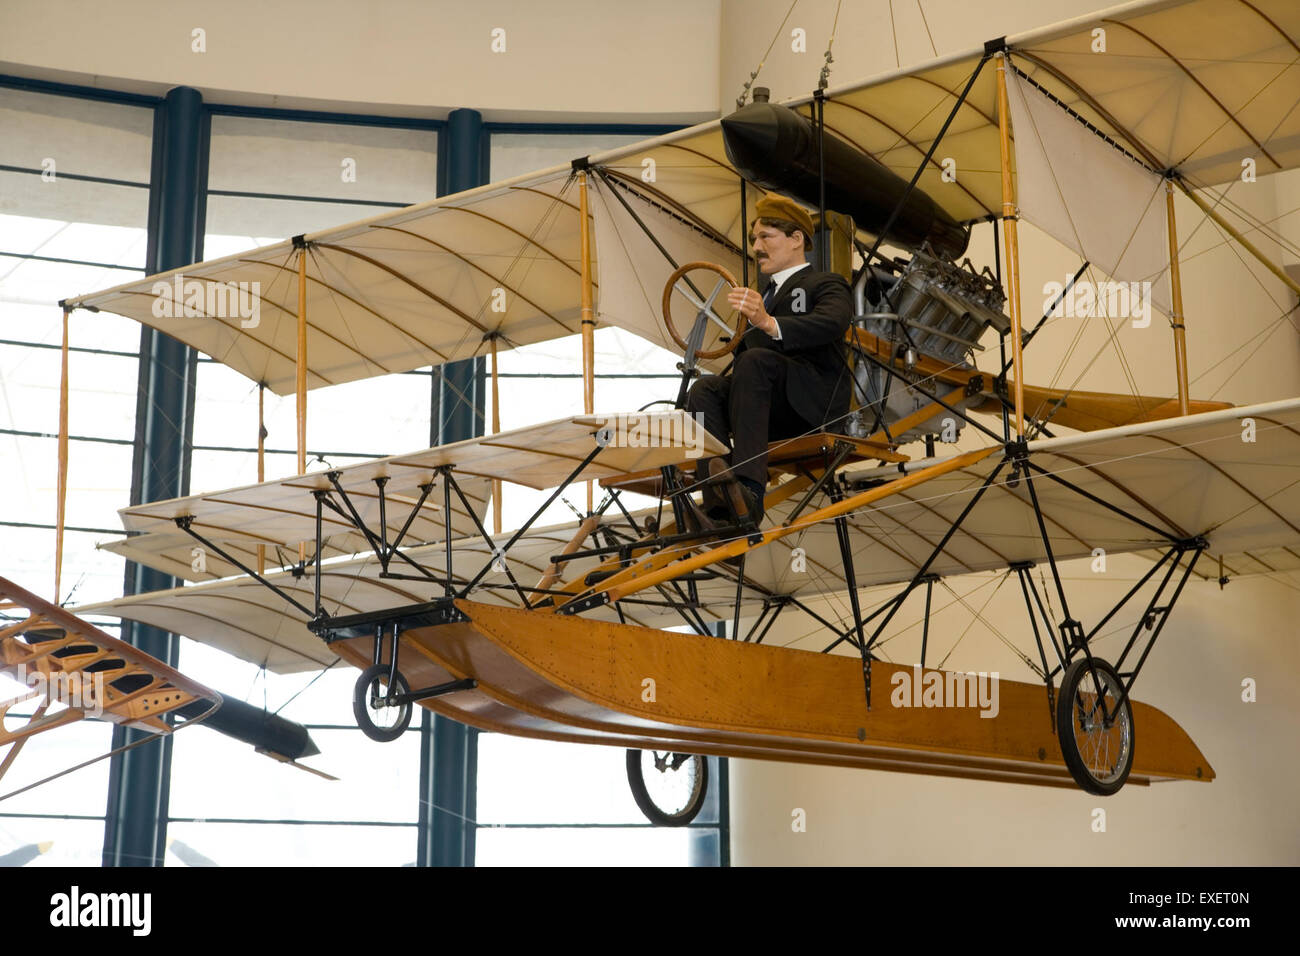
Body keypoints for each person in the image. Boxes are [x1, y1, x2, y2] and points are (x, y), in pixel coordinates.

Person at [685, 194, 854, 526]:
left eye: (766, 237)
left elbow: (833, 323)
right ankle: (719, 505)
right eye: (754, 239)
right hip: (766, 409)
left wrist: (767, 323)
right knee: (704, 388)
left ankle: (749, 493)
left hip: (812, 407)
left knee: (755, 362)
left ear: (796, 240)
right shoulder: (761, 297)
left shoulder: (826, 283)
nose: (757, 247)